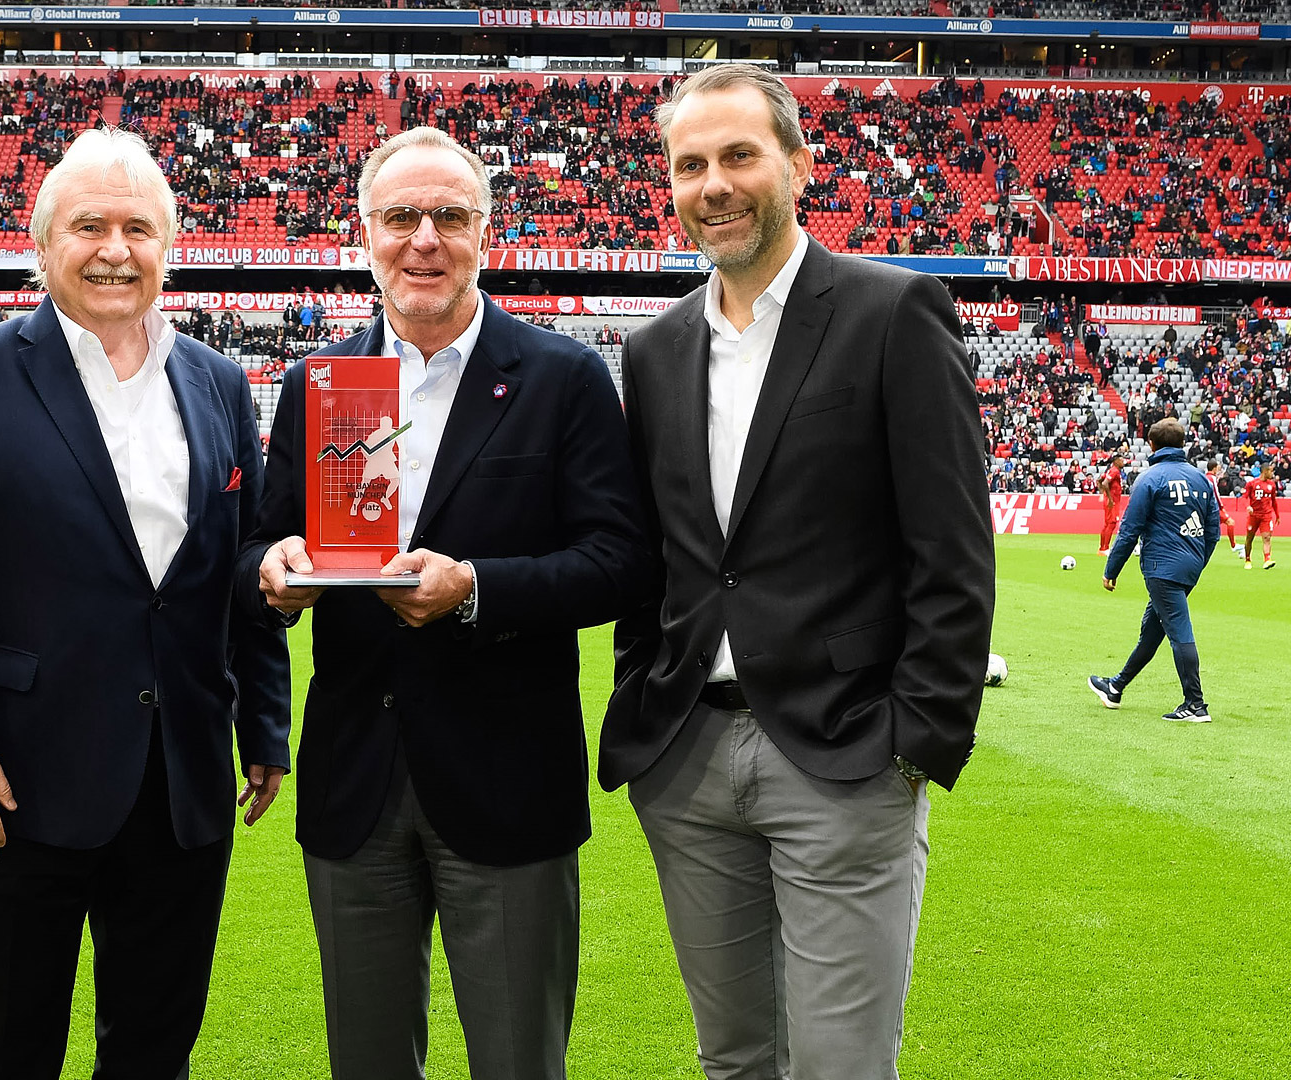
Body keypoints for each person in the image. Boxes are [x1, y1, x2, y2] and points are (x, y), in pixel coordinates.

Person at [602, 65, 996, 1080]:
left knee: (840, 1065)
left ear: (799, 164)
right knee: (734, 1059)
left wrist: (916, 741)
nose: (715, 183)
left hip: (845, 757)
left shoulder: (892, 312)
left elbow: (952, 551)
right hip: (688, 760)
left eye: (739, 155)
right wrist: (644, 696)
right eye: (691, 164)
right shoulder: (653, 350)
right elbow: (660, 558)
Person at [0, 127, 290, 1080]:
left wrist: (266, 726)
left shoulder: (219, 382)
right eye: (89, 225)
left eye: (138, 228)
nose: (115, 248)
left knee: (155, 1048)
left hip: (182, 782)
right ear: (41, 243)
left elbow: (238, 570)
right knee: (8, 1048)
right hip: (15, 784)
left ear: (169, 246)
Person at [242, 126, 650, 1080]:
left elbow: (622, 562)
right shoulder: (321, 383)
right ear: (364, 232)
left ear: (485, 230)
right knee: (368, 1063)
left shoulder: (562, 378)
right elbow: (255, 544)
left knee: (518, 1062)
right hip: (356, 780)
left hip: (506, 781)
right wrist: (274, 568)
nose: (423, 239)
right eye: (400, 217)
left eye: (449, 216)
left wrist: (477, 590)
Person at [1088, 418, 1222, 722]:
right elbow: (1213, 531)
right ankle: (1115, 687)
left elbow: (1129, 530)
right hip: (1189, 566)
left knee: (1179, 632)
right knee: (1152, 631)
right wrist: (1198, 561)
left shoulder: (1150, 479)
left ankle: (1195, 704)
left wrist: (1112, 569)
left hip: (1162, 567)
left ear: (1152, 445)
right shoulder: (1200, 479)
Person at [1241, 461, 1278, 570]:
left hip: (1266, 515)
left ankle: (1267, 560)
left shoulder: (1272, 485)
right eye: (1271, 471)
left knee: (1267, 538)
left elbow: (1274, 501)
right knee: (1249, 538)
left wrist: (1277, 515)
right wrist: (1248, 506)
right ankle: (1247, 559)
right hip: (1254, 516)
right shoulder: (1252, 484)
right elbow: (1244, 497)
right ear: (1265, 471)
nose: (1272, 474)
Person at [1099, 452, 1126, 556]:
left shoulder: (1112, 470)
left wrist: (1103, 494)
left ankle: (1102, 548)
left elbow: (1100, 480)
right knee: (1111, 523)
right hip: (1112, 502)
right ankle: (1105, 548)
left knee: (1108, 524)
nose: (1123, 462)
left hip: (1112, 500)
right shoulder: (1114, 471)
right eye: (1121, 460)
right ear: (1116, 461)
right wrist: (1109, 499)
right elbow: (1105, 483)